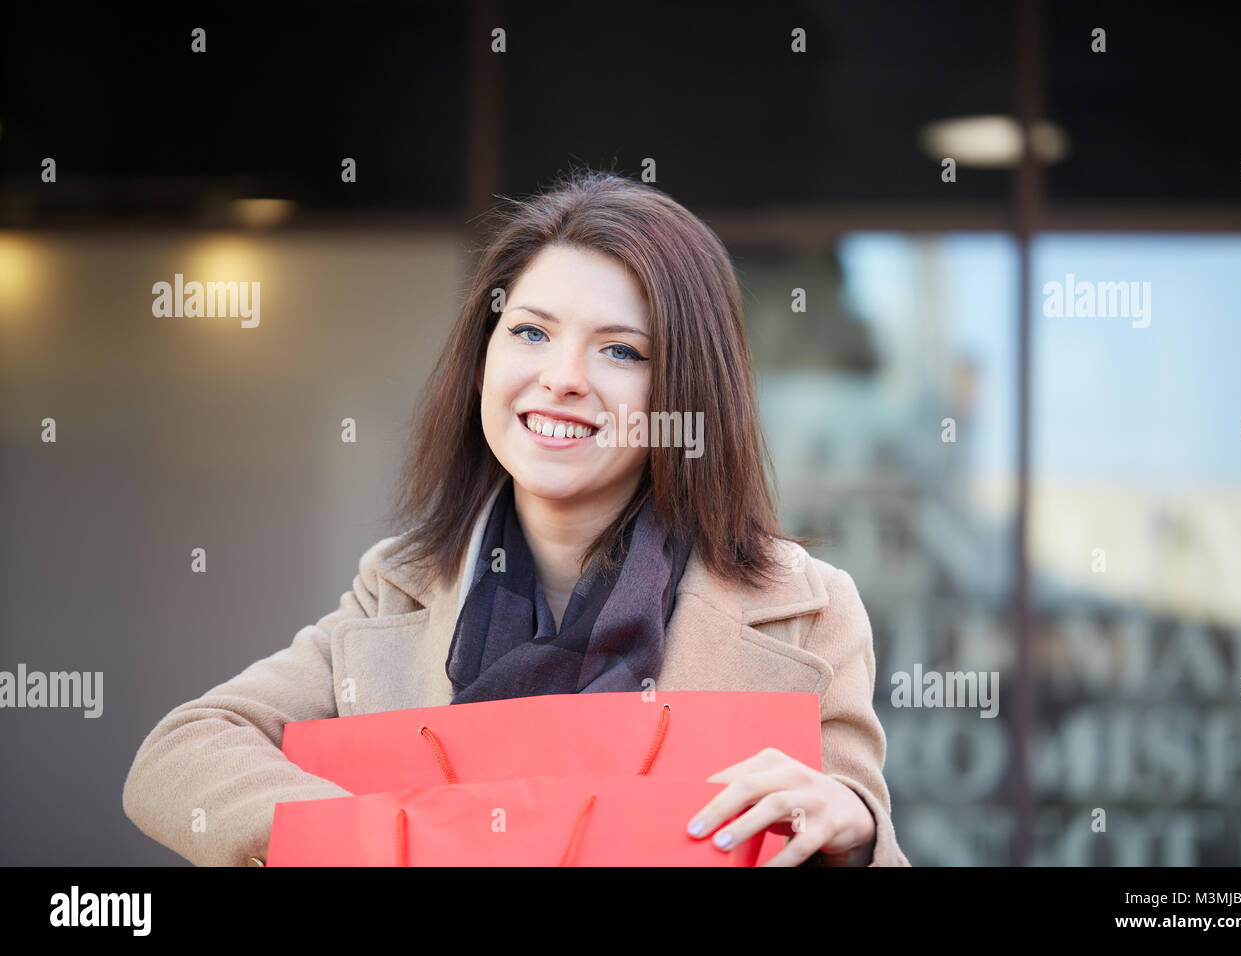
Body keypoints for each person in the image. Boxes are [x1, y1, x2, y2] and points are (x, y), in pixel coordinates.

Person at [122, 168, 910, 867]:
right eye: (530, 332)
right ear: (482, 360)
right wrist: (379, 838)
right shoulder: (398, 589)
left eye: (621, 351)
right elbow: (179, 754)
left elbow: (856, 831)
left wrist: (858, 828)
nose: (563, 378)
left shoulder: (806, 611)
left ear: (687, 393)